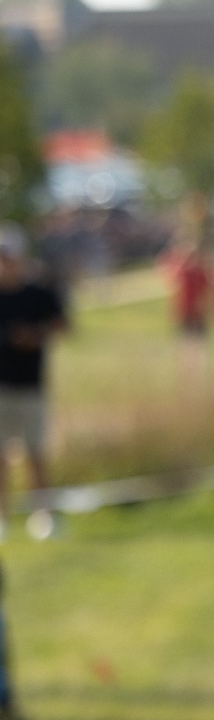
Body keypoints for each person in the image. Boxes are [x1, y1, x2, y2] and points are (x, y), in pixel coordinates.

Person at [0, 225, 69, 543]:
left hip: (31, 385)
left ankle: (43, 515)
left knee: (35, 453)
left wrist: (34, 335)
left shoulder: (38, 293)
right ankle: (3, 517)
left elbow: (63, 325)